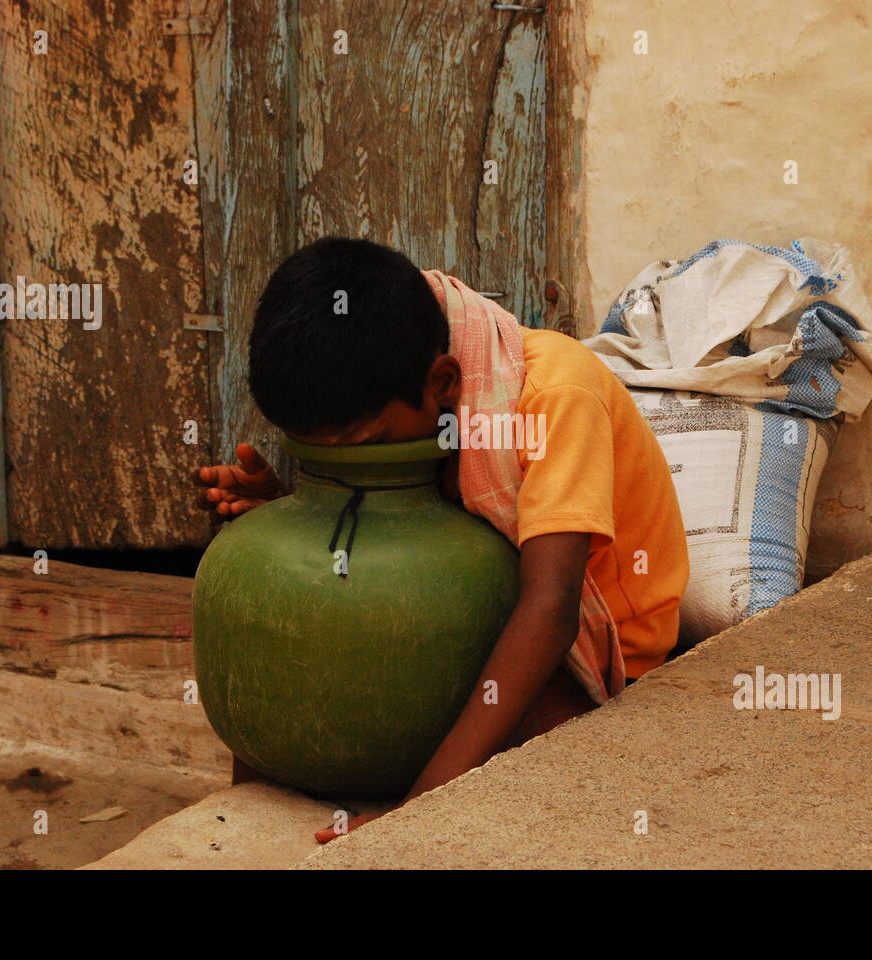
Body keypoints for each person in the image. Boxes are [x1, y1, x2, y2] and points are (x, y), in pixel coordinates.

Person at [192, 237, 688, 841]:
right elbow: (397, 521)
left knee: (527, 764)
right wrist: (296, 513)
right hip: (467, 593)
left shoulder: (553, 394)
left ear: (444, 382)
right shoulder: (386, 377)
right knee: (284, 703)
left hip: (587, 639)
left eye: (369, 448)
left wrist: (420, 810)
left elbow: (551, 610)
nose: (348, 466)